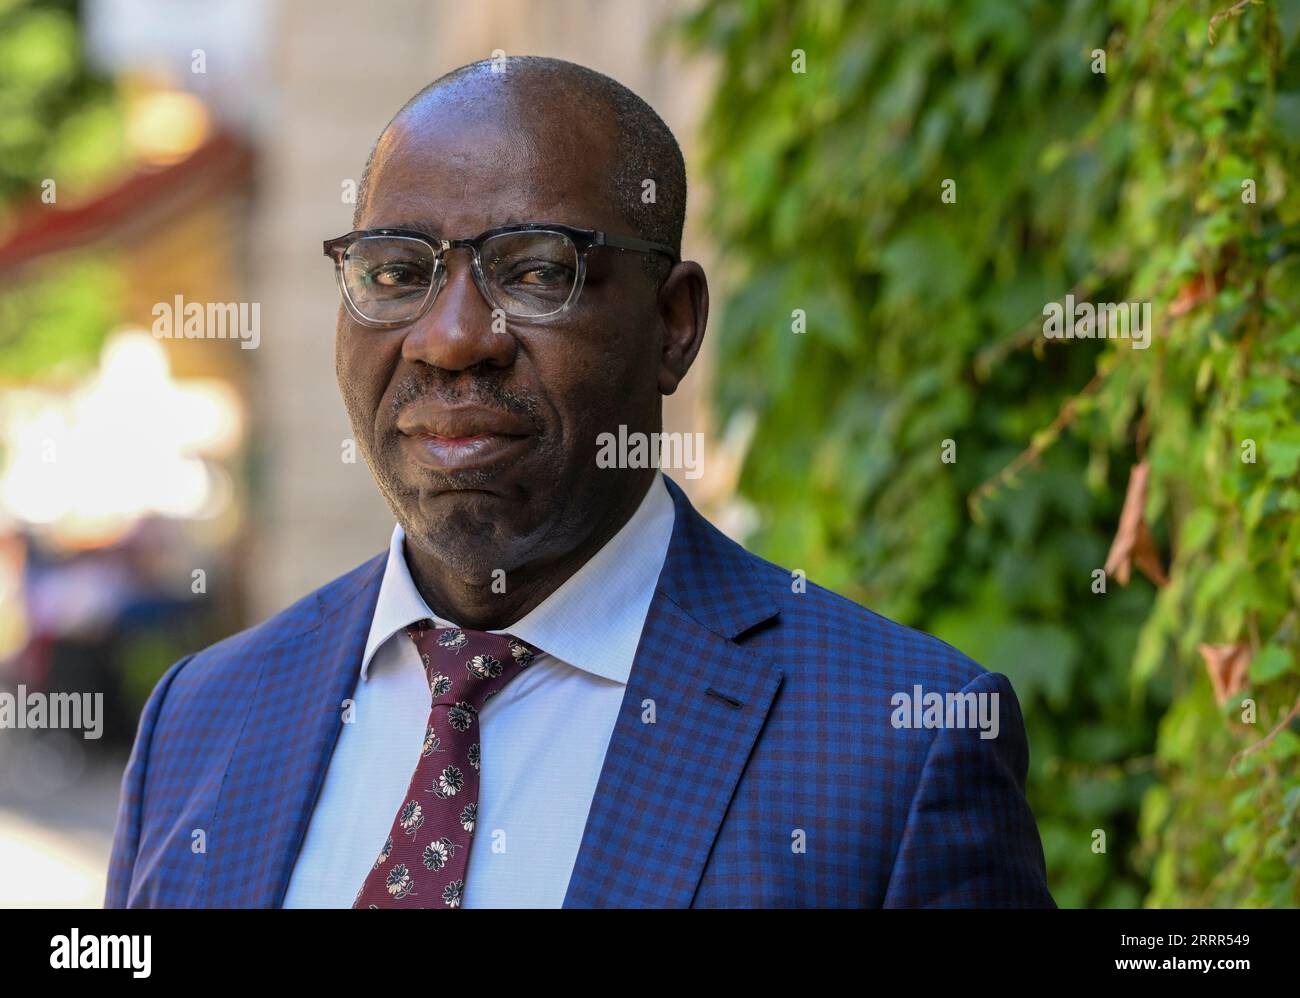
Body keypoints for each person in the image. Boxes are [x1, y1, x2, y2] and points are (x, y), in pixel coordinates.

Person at [106, 56, 1054, 908]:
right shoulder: (204, 716)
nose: (450, 339)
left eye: (535, 270)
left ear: (674, 324)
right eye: (398, 273)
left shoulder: (894, 746)